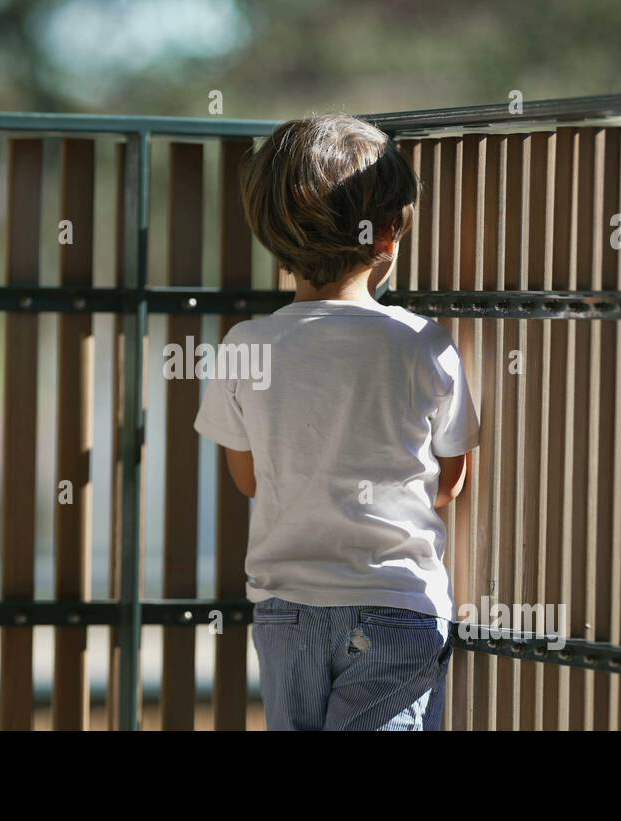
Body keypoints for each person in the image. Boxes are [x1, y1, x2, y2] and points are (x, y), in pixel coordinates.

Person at [193, 114, 480, 730]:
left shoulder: (246, 345)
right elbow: (449, 481)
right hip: (394, 603)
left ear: (273, 238)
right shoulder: (422, 346)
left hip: (283, 610)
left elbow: (247, 479)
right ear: (390, 237)